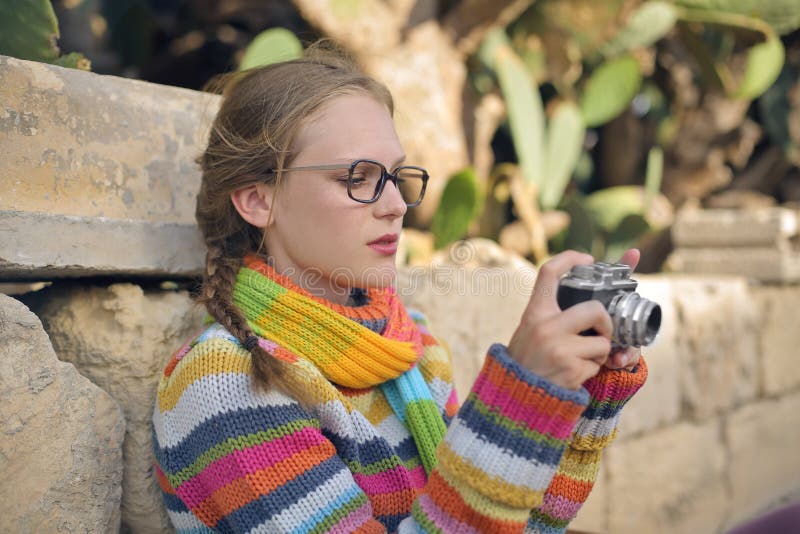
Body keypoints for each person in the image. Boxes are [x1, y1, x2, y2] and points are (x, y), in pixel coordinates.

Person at [152, 42, 648, 534]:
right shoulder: (228, 382)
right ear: (258, 201)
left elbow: (522, 523)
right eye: (357, 177)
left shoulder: (410, 344)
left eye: (394, 176)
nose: (395, 204)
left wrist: (583, 388)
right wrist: (516, 394)